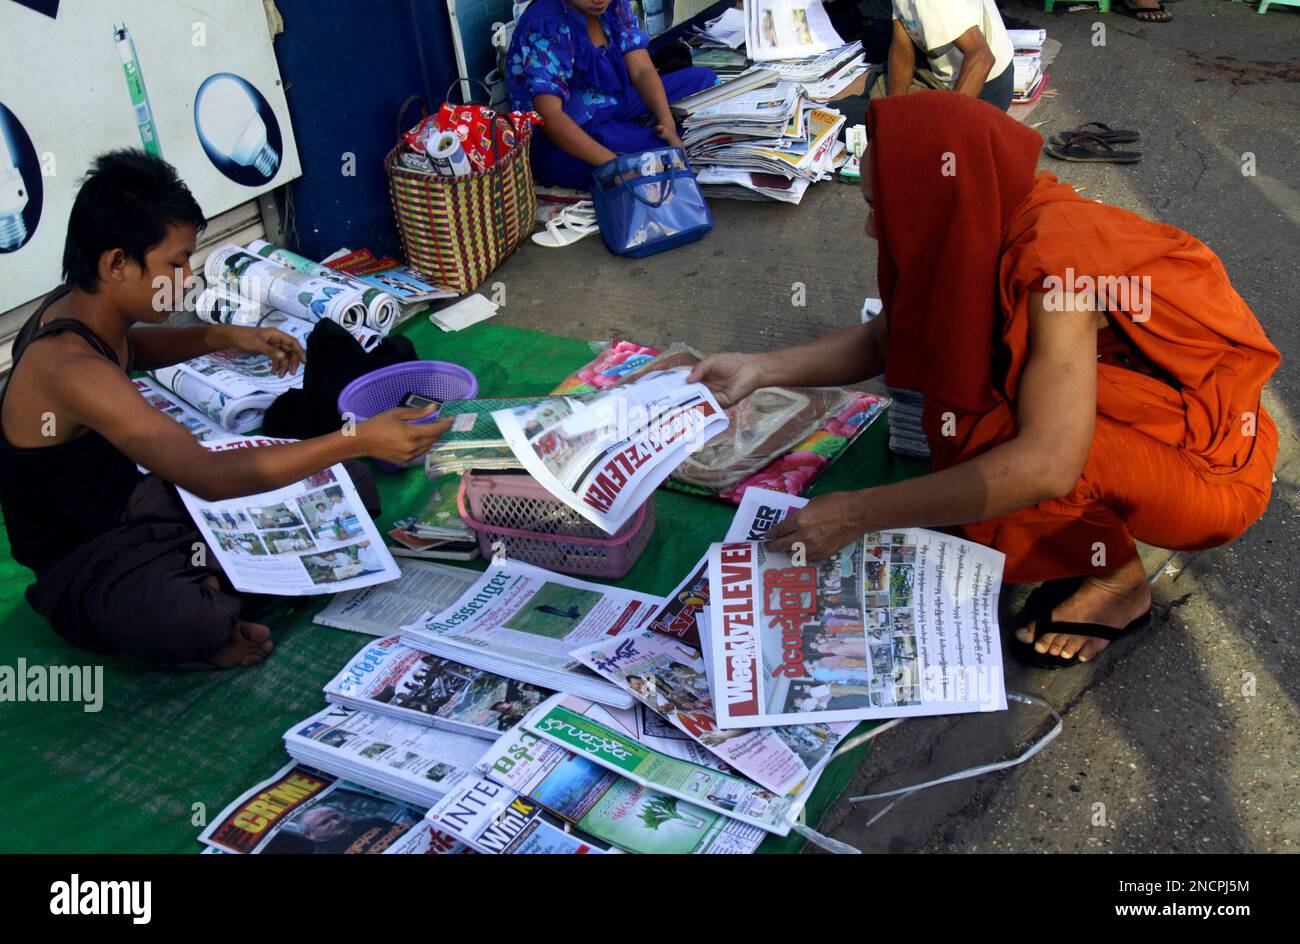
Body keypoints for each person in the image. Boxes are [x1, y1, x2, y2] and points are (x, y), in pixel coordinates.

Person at [689, 92, 1279, 667]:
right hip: (1136, 416)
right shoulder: (977, 216)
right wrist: (759, 369)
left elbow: (1045, 466)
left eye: (881, 208)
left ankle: (1120, 582)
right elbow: (884, 340)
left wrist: (858, 512)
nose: (872, 230)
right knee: (970, 430)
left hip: (1212, 476)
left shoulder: (1057, 269)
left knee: (992, 446)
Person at [0, 150, 452, 669]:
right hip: (91, 561)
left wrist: (221, 335)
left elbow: (131, 349)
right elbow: (210, 478)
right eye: (174, 263)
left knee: (351, 485)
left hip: (144, 505)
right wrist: (359, 437)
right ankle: (212, 608)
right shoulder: (67, 368)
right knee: (190, 617)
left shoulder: (80, 309)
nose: (187, 278)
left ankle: (219, 585)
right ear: (117, 263)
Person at [504, 0, 716, 189]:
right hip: (570, 136)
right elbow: (550, 117)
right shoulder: (546, 23)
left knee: (706, 82)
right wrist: (615, 167)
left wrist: (667, 123)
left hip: (613, 102)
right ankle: (645, 141)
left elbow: (642, 70)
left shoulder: (614, 6)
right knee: (655, 153)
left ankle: (654, 133)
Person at [868, 0, 1015, 111]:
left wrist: (947, 125)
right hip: (950, 72)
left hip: (984, 88)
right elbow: (901, 48)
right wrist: (894, 111)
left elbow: (982, 57)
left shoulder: (935, 3)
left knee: (863, 112)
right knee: (879, 104)